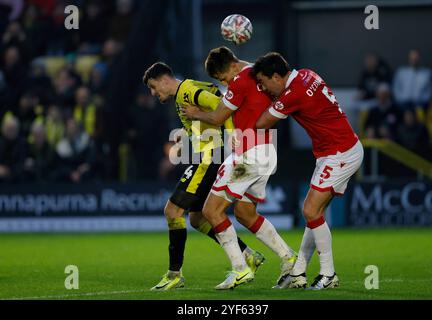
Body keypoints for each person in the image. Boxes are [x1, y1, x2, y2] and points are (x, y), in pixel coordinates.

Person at [142, 62, 265, 291]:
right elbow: (212, 103)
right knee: (198, 219)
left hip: (208, 158)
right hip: (209, 154)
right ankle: (248, 255)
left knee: (172, 211)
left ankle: (174, 274)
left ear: (164, 80)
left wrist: (231, 135)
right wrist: (188, 137)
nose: (153, 92)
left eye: (152, 86)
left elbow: (220, 104)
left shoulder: (187, 91)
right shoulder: (187, 90)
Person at [181, 47, 296, 290]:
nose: (224, 82)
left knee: (211, 211)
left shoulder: (240, 81)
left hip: (249, 154)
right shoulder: (257, 72)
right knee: (245, 213)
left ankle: (240, 269)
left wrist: (195, 113)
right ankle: (290, 259)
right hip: (266, 152)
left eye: (222, 77)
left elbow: (217, 118)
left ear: (231, 66)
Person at [253, 52, 364, 290]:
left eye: (263, 82)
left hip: (339, 152)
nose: (263, 88)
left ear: (276, 76)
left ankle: (329, 274)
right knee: (314, 214)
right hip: (336, 150)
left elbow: (261, 123)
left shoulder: (295, 93)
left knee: (310, 210)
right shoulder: (307, 74)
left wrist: (255, 100)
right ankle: (298, 273)